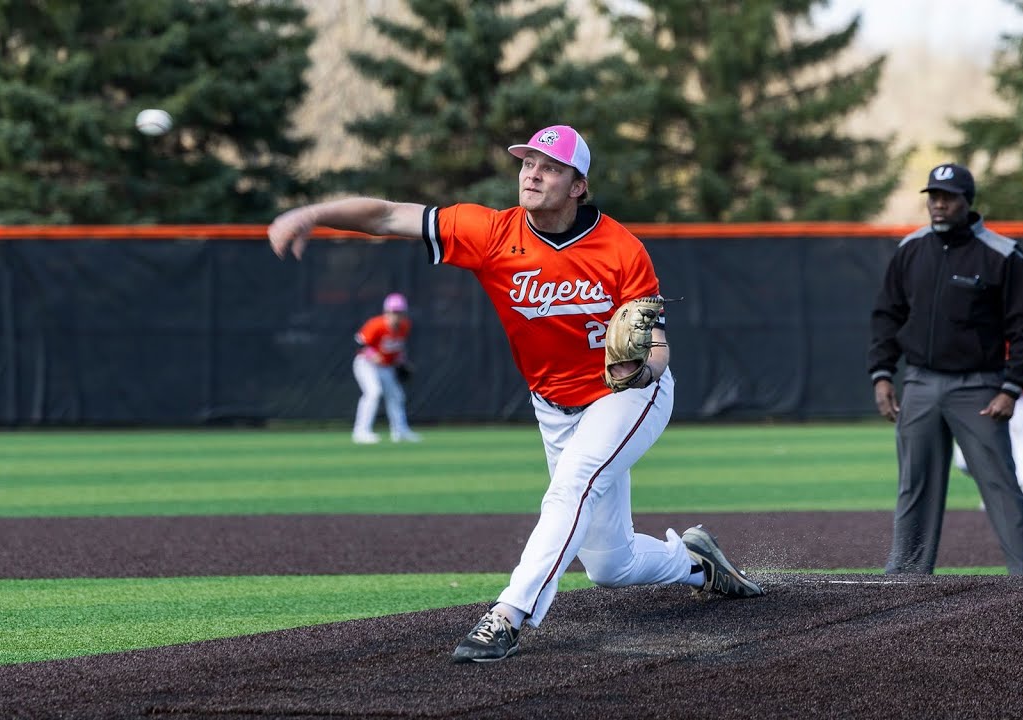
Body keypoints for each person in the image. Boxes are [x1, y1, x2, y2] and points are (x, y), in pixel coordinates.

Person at [269, 124, 764, 663]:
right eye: (527, 163)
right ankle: (695, 562)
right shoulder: (489, 231)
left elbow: (659, 348)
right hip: (553, 404)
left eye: (549, 167)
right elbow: (389, 215)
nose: (532, 173)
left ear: (578, 185)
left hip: (626, 395)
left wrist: (642, 372)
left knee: (570, 488)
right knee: (609, 565)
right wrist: (312, 214)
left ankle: (508, 614)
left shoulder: (621, 249)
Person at [868, 162, 1023, 576]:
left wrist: (1011, 386)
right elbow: (886, 316)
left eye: (948, 197)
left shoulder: (1002, 254)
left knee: (1001, 487)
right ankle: (906, 581)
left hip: (979, 388)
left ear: (968, 201)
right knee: (915, 488)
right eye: (933, 197)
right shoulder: (910, 249)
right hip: (920, 383)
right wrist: (881, 374)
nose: (939, 205)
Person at [957, 337, 1023, 512]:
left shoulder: (1020, 334)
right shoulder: (976, 334)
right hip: (984, 395)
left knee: (1018, 429)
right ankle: (1001, 488)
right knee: (963, 460)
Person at [351, 292, 421, 444]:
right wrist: (372, 355)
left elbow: (398, 349)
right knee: (373, 393)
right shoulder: (376, 325)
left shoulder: (404, 326)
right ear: (386, 312)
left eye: (399, 312)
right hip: (365, 364)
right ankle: (361, 432)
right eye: (393, 312)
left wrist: (402, 362)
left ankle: (400, 431)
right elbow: (358, 343)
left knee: (396, 396)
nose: (396, 315)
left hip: (385, 367)